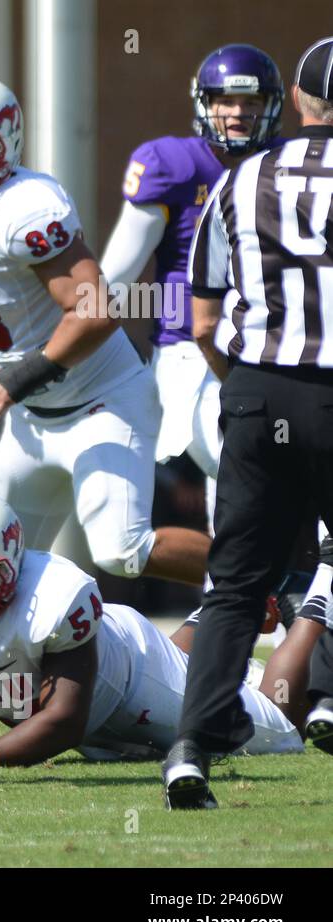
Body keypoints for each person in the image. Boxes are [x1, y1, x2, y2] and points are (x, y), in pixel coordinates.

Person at [0, 75, 210, 588]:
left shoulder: (26, 206)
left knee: (122, 550)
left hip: (102, 402)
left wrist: (21, 374)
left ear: (6, 145)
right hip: (33, 420)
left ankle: (269, 578)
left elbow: (96, 310)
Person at [0, 491, 301, 773]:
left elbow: (65, 719)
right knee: (121, 754)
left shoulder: (54, 596)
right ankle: (220, 640)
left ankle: (311, 595)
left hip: (134, 677)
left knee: (281, 733)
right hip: (90, 725)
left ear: (12, 568)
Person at [166, 37, 333, 809]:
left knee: (235, 583)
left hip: (258, 393)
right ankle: (324, 695)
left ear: (296, 102)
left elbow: (201, 319)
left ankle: (192, 745)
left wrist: (249, 394)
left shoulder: (238, 180)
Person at [100, 44, 283, 536]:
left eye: (251, 102)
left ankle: (235, 601)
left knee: (241, 497)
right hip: (191, 352)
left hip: (272, 349)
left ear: (272, 105)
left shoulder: (285, 164)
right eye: (226, 100)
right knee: (252, 472)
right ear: (204, 103)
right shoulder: (172, 164)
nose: (239, 113)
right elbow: (115, 277)